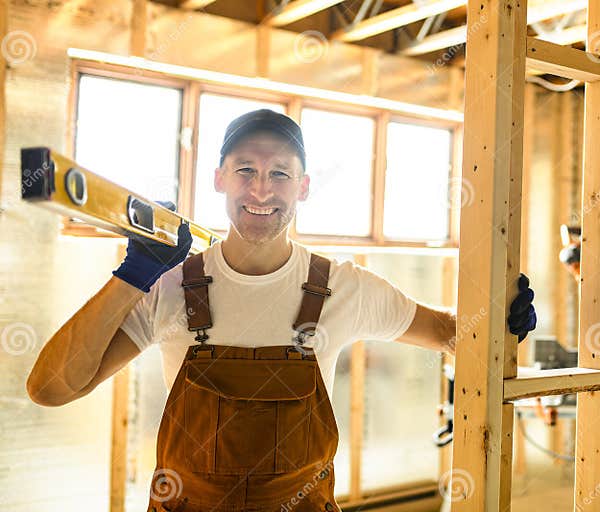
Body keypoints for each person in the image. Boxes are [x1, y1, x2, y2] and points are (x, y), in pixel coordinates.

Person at [25, 110, 537, 512]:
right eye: (245, 169)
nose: (262, 189)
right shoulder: (170, 287)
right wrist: (131, 278)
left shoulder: (343, 287)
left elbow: (450, 332)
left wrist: (502, 318)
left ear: (304, 186)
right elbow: (50, 389)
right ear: (219, 178)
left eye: (280, 174)